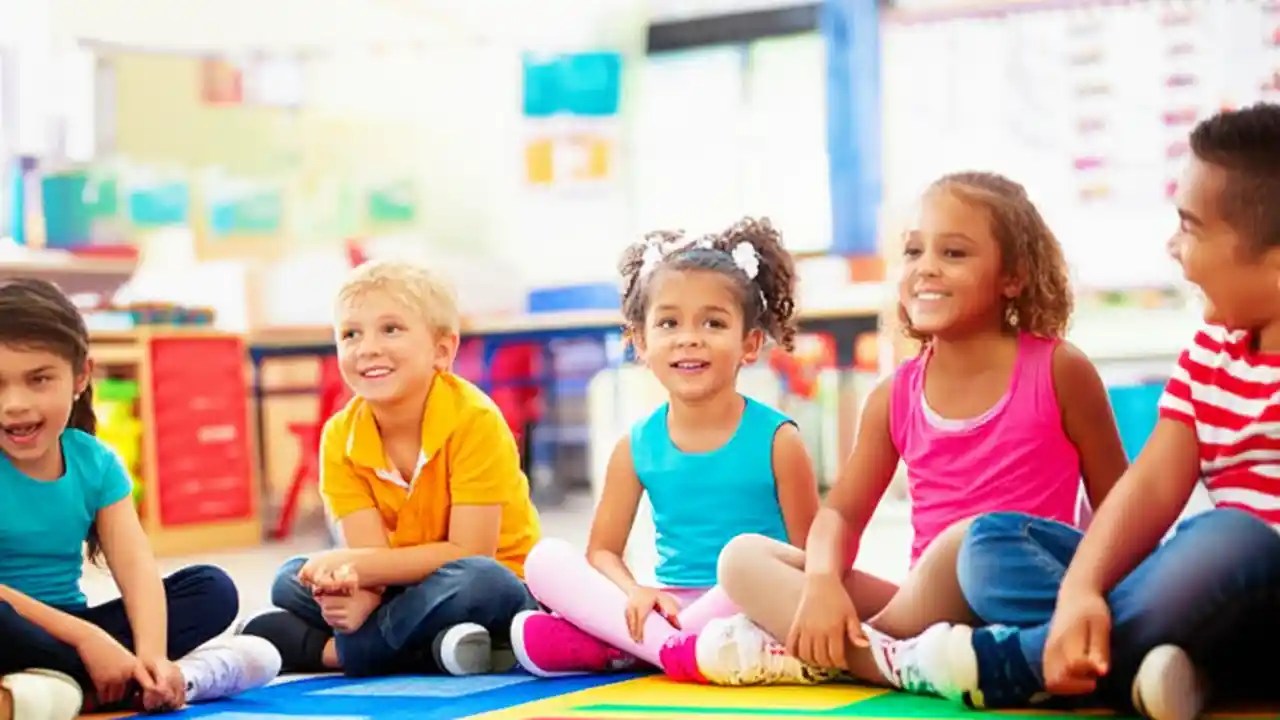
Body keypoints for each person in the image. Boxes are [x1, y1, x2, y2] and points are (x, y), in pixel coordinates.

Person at [883, 103, 1280, 720]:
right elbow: (1148, 488)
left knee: (1232, 538)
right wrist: (1079, 591)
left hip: (1257, 597)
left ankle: (1021, 661)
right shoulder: (1209, 355)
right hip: (1199, 606)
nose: (1172, 247)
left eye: (1191, 227)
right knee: (990, 542)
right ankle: (1150, 670)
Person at [671, 172, 1128, 688]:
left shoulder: (1060, 371)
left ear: (1013, 277)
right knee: (741, 559)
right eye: (913, 252)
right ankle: (899, 658)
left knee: (970, 542)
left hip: (1011, 588)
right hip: (922, 607)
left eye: (953, 253)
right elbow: (840, 514)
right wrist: (822, 582)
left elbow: (1120, 504)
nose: (926, 267)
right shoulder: (896, 395)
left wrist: (1099, 599)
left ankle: (839, 656)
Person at [509, 218, 821, 679]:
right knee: (543, 559)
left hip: (749, 603)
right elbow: (602, 554)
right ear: (639, 341)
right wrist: (634, 592)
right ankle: (678, 650)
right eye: (669, 322)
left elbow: (810, 558)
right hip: (670, 606)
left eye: (713, 322)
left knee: (745, 563)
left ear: (749, 343)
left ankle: (630, 651)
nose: (689, 337)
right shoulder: (635, 445)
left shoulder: (780, 440)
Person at [241, 259, 541, 677]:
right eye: (350, 334)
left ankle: (338, 653)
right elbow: (371, 556)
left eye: (391, 329)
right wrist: (357, 585)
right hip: (398, 587)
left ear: (442, 350)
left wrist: (360, 573)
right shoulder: (340, 437)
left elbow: (472, 552)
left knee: (482, 580)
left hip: (490, 584)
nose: (367, 348)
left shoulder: (475, 420)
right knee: (291, 578)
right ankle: (434, 648)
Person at [0, 278, 279, 720]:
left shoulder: (96, 463)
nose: (14, 403)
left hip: (69, 633)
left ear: (80, 376)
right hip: (16, 628)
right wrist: (87, 641)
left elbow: (137, 570)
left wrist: (152, 655)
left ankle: (92, 684)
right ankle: (105, 683)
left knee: (212, 589)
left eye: (38, 380)